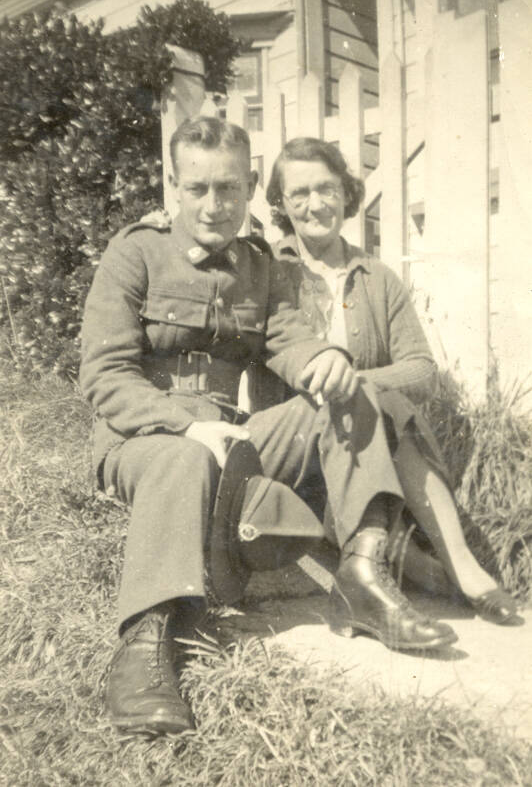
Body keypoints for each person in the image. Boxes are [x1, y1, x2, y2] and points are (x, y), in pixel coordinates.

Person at [80, 117, 457, 737]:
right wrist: (184, 426)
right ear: (174, 185)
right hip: (144, 439)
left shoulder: (259, 267)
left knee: (346, 391)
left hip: (234, 439)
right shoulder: (135, 253)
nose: (213, 205)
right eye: (197, 189)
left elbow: (289, 340)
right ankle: (143, 648)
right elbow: (104, 376)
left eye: (228, 188)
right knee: (186, 459)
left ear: (252, 185)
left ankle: (363, 574)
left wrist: (324, 360)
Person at [263, 136, 517, 635]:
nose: (316, 204)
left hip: (369, 450)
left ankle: (425, 571)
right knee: (373, 401)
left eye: (327, 188)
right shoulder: (269, 273)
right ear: (282, 204)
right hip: (301, 456)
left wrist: (355, 381)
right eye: (300, 194)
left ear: (346, 192)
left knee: (382, 398)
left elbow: (422, 370)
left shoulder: (377, 278)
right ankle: (459, 570)